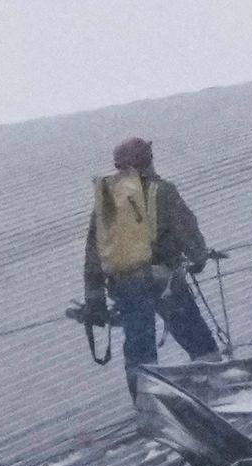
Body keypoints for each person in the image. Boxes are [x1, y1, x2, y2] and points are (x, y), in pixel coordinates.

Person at [82, 137, 222, 376]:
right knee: (194, 334)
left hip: (125, 284)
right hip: (164, 281)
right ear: (148, 160)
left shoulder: (107, 199)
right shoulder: (163, 191)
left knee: (139, 345)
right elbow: (186, 229)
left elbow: (94, 249)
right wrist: (198, 258)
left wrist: (94, 296)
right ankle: (215, 377)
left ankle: (145, 394)